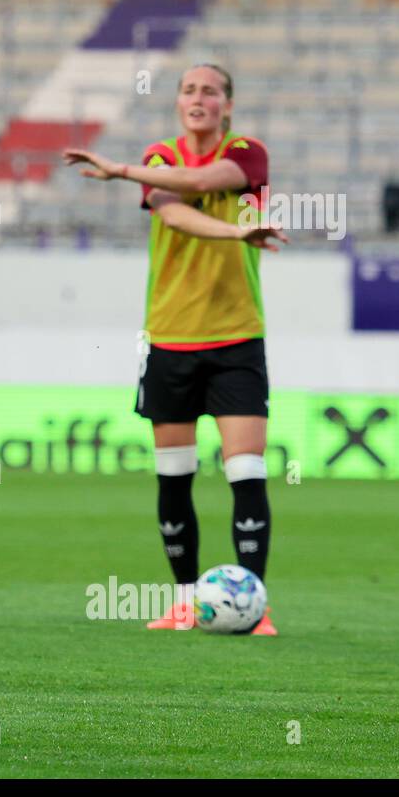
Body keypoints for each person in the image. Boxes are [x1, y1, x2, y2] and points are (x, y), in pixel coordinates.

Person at [63, 63, 288, 635]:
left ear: (227, 106)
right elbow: (176, 211)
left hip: (237, 336)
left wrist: (119, 171)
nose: (198, 98)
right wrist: (238, 232)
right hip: (170, 339)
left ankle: (254, 605)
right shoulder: (160, 157)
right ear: (178, 102)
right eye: (188, 90)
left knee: (246, 473)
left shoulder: (247, 153)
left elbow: (208, 181)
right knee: (174, 476)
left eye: (210, 91)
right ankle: (187, 600)